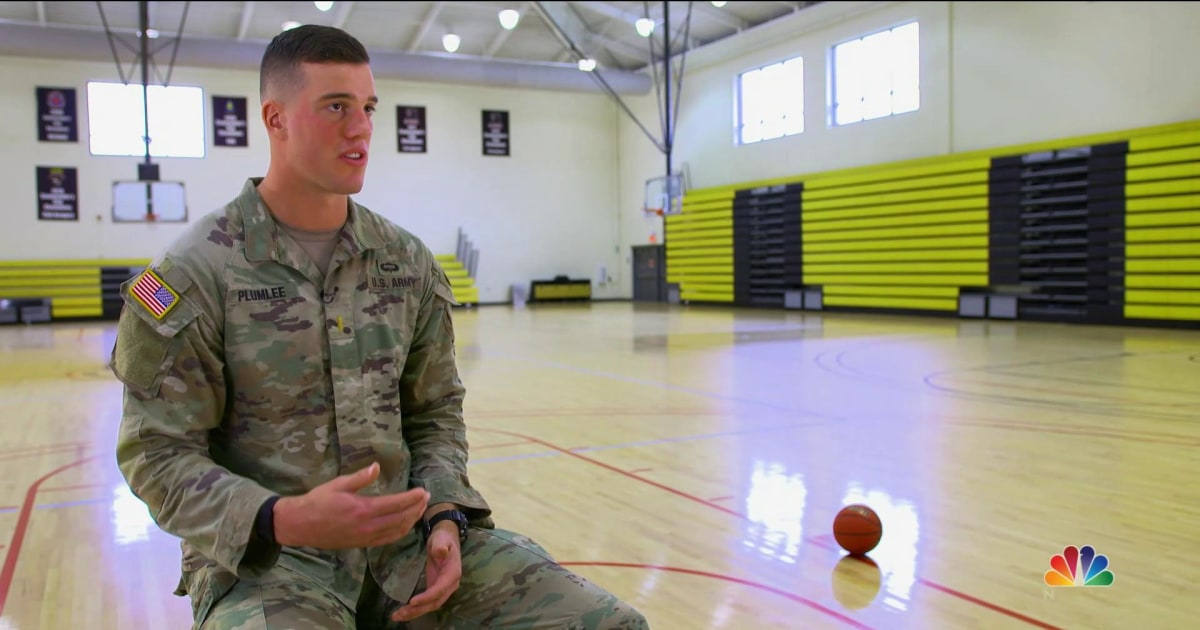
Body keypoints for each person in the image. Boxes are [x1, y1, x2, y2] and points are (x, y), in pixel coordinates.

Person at [109, 24, 649, 630]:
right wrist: (280, 518)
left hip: (407, 552)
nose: (361, 128)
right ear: (275, 118)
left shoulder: (406, 262)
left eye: (367, 108)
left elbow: (435, 414)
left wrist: (445, 515)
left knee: (611, 624)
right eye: (335, 107)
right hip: (271, 566)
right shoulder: (194, 272)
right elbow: (156, 453)